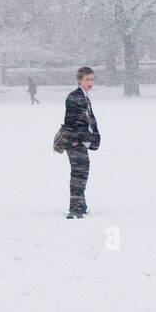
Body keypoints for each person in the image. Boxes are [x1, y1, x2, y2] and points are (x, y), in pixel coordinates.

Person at [63, 67, 101, 218]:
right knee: (78, 175)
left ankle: (80, 204)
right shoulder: (74, 96)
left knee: (82, 174)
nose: (90, 82)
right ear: (80, 80)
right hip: (75, 142)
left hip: (82, 141)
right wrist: (74, 139)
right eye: (87, 79)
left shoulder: (84, 96)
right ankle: (75, 207)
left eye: (92, 79)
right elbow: (69, 120)